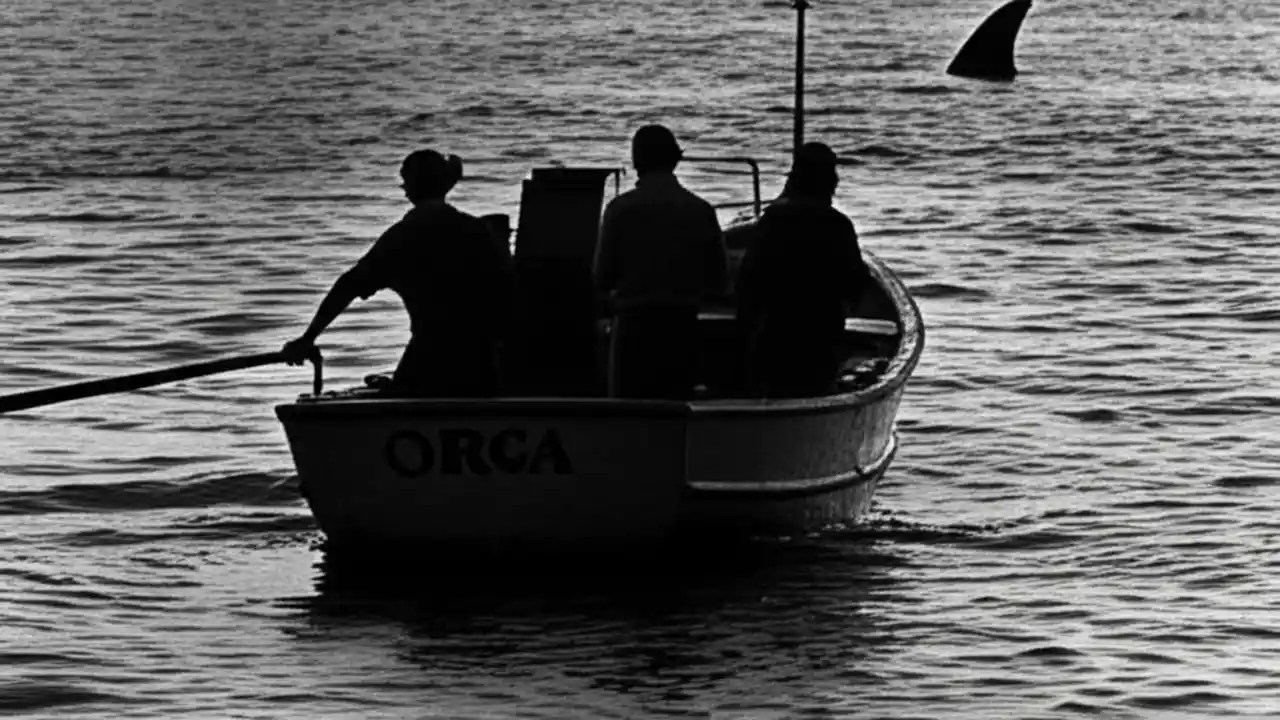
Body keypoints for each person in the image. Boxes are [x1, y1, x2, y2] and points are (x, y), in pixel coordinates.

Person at [282, 149, 512, 397]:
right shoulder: (479, 232)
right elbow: (510, 289)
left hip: (429, 361)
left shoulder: (404, 237)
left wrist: (308, 338)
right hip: (484, 363)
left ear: (410, 187)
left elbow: (348, 286)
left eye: (404, 181)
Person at [593, 125, 729, 400]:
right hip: (682, 326)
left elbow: (602, 277)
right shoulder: (700, 210)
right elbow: (718, 279)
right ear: (674, 159)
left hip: (633, 326)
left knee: (630, 409)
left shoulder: (619, 209)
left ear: (636, 161)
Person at [736, 142, 871, 398]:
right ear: (828, 181)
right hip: (820, 337)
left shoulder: (772, 222)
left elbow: (749, 283)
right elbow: (854, 283)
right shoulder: (837, 225)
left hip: (775, 335)